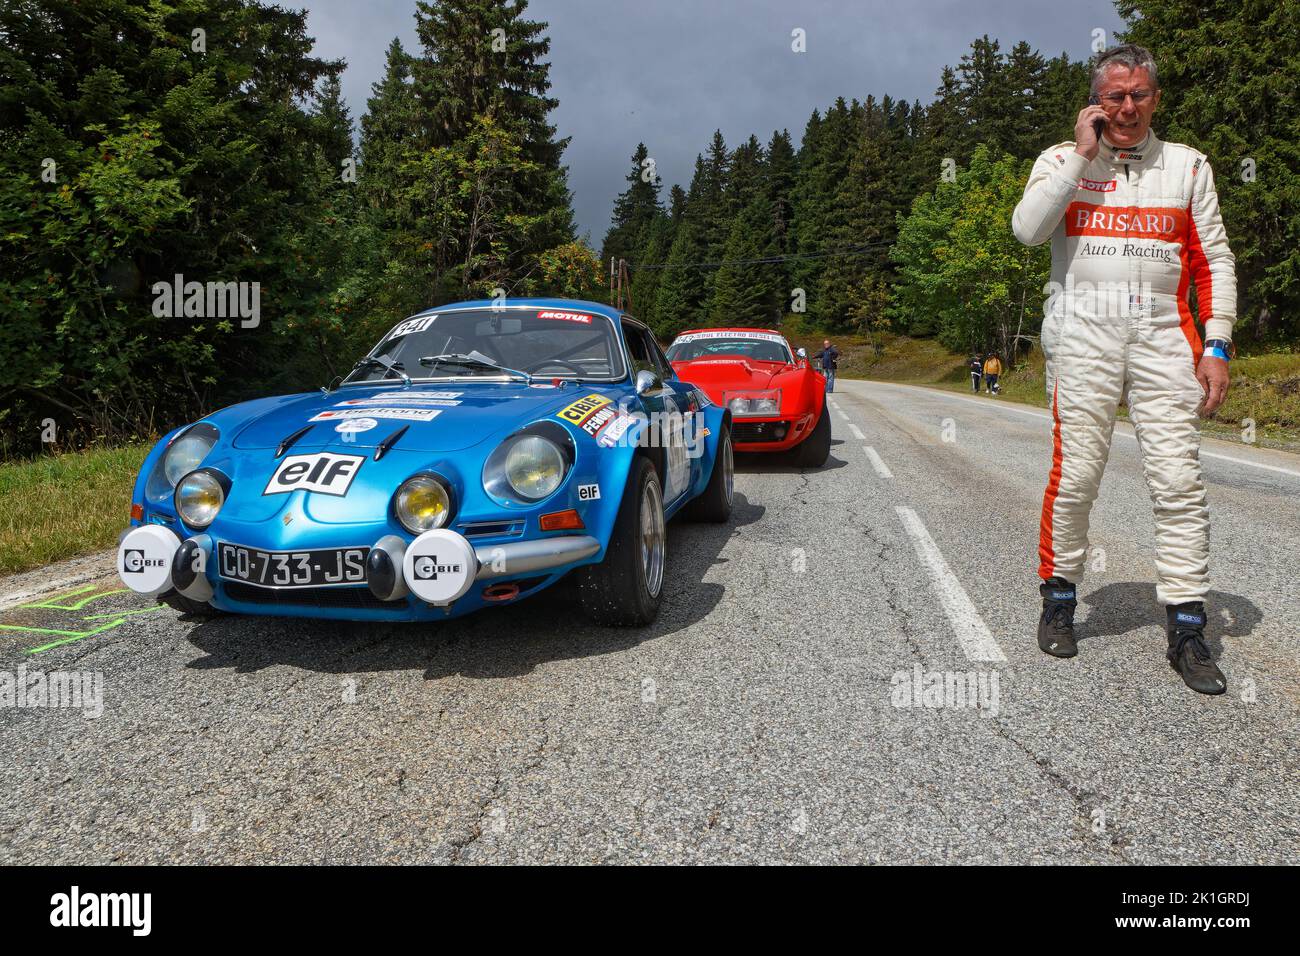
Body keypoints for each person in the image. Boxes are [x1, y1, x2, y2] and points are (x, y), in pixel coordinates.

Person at [1012, 44, 1236, 695]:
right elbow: (1027, 230)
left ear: (1156, 98)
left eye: (1139, 94)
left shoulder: (1189, 166)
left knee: (1177, 482)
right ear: (1095, 102)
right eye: (1115, 95)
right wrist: (1083, 155)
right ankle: (1059, 599)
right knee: (1077, 474)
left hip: (1166, 339)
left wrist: (1216, 344)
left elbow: (1213, 262)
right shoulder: (1061, 160)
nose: (1128, 107)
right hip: (1084, 335)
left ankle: (1188, 627)